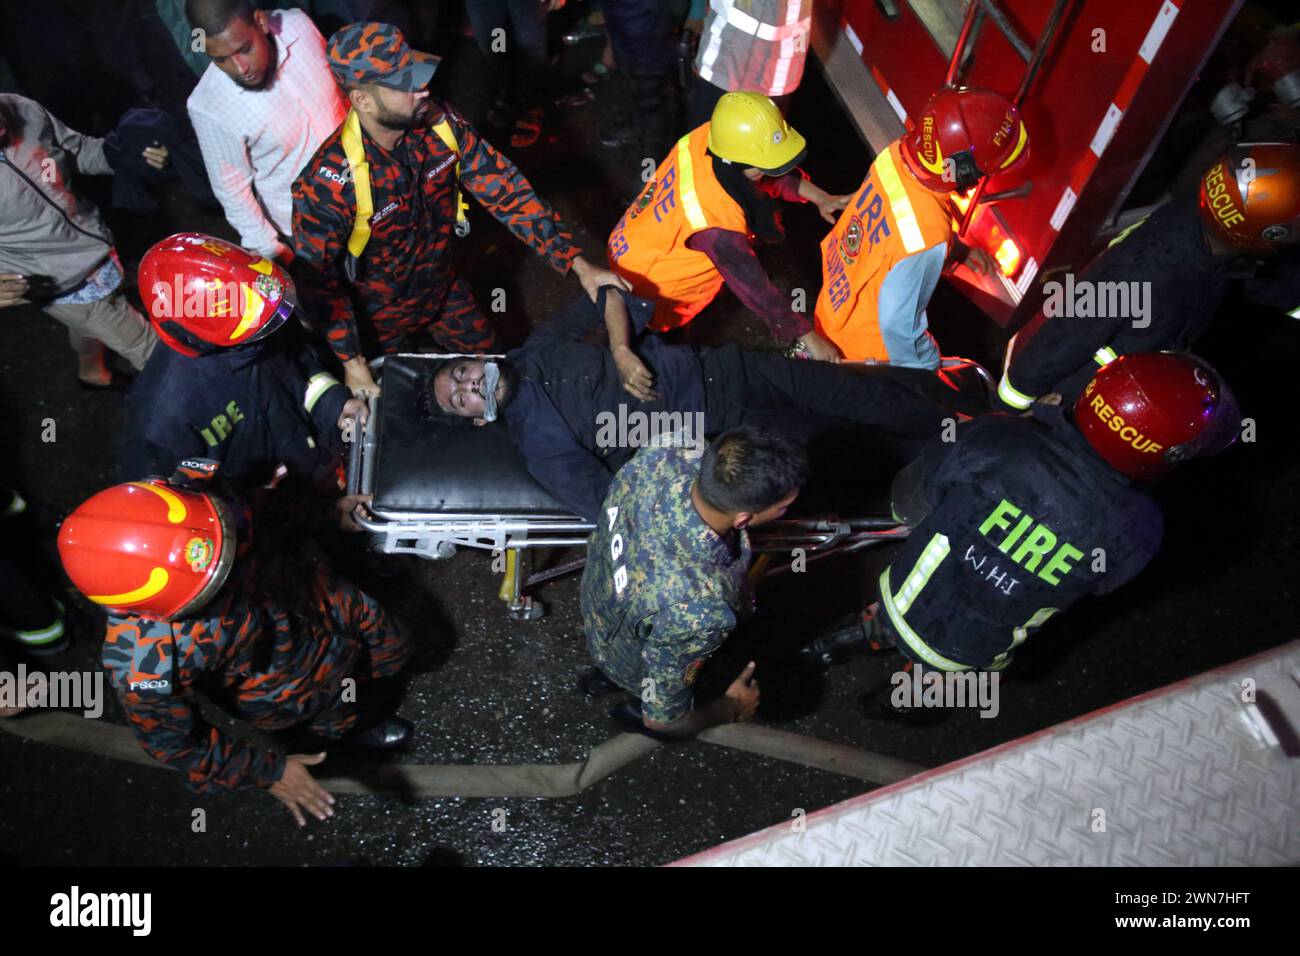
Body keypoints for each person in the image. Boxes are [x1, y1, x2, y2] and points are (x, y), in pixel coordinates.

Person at [797, 353, 1242, 681]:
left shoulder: (998, 439)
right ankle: (903, 707)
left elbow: (908, 503)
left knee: (884, 623)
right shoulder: (1141, 530)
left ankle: (822, 649)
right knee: (929, 678)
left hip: (905, 595)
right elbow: (1098, 586)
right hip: (972, 649)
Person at [418, 286, 958, 522]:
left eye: (461, 374)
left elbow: (610, 298)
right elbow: (613, 506)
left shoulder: (538, 348)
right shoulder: (541, 447)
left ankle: (958, 426)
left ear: (475, 360)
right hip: (722, 427)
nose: (469, 386)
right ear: (481, 416)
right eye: (462, 399)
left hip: (727, 366)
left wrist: (622, 348)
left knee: (855, 393)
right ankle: (950, 470)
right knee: (842, 447)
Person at [57, 471, 414, 826]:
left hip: (322, 599)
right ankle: (354, 727)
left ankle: (377, 685)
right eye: (213, 589)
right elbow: (175, 743)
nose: (230, 575)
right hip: (290, 682)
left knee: (391, 648)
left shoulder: (197, 501)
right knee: (335, 712)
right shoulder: (144, 659)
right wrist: (267, 771)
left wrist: (328, 512)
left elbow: (265, 508)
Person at [292, 21, 626, 397]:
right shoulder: (329, 186)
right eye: (404, 83)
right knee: (400, 403)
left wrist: (577, 264)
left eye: (416, 71)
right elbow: (318, 284)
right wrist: (352, 363)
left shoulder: (439, 123)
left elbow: (506, 190)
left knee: (493, 379)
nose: (422, 87)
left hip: (444, 287)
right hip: (377, 320)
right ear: (363, 100)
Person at [997, 142, 1300, 411]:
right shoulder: (1148, 268)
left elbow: (1260, 278)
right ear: (1264, 233)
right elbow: (1068, 330)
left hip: (1117, 379)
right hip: (1068, 392)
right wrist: (1016, 405)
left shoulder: (1211, 237)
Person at [580, 427, 808, 736]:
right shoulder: (701, 608)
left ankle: (599, 682)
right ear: (742, 519)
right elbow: (662, 720)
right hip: (636, 659)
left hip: (597, 606)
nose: (786, 512)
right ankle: (631, 707)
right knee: (651, 697)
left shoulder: (670, 447)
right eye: (783, 507)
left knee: (616, 662)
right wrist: (733, 706)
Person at [608, 91, 848, 361]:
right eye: (763, 167)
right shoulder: (713, 222)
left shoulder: (716, 138)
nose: (768, 172)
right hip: (651, 289)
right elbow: (753, 285)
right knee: (660, 355)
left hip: (637, 243)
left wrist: (820, 197)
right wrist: (808, 337)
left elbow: (764, 174)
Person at [117, 233, 363, 495]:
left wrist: (338, 406)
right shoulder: (163, 424)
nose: (279, 320)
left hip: (316, 462)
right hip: (281, 511)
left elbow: (301, 364)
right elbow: (211, 515)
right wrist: (318, 515)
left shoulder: (259, 321)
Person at [813, 87, 1029, 368]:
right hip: (864, 355)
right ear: (963, 170)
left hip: (831, 311)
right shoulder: (927, 236)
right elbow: (898, 327)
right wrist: (930, 371)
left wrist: (958, 251)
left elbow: (896, 226)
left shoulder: (895, 156)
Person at [0, 94, 164, 388]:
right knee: (156, 353)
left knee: (89, 322)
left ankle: (90, 373)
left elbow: (73, 151)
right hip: (56, 280)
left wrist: (125, 154)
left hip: (94, 241)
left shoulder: (19, 108)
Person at [185, 0, 348, 261]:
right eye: (221, 59)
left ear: (261, 22)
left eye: (244, 49)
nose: (240, 68)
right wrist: (276, 254)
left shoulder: (298, 25)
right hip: (316, 232)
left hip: (375, 187)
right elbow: (233, 192)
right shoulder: (209, 105)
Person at [686, 0, 812, 130]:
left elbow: (800, 31)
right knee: (703, 139)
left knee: (707, 139)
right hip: (726, 67)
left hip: (764, 77)